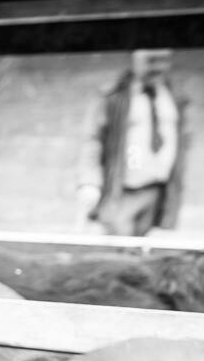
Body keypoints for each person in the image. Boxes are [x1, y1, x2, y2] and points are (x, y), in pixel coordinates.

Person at [77, 48, 187, 236]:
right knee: (117, 252)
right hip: (122, 191)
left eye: (163, 61)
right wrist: (90, 181)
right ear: (134, 60)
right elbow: (93, 141)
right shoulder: (114, 96)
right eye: (151, 61)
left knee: (142, 254)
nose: (158, 68)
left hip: (157, 191)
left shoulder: (172, 95)